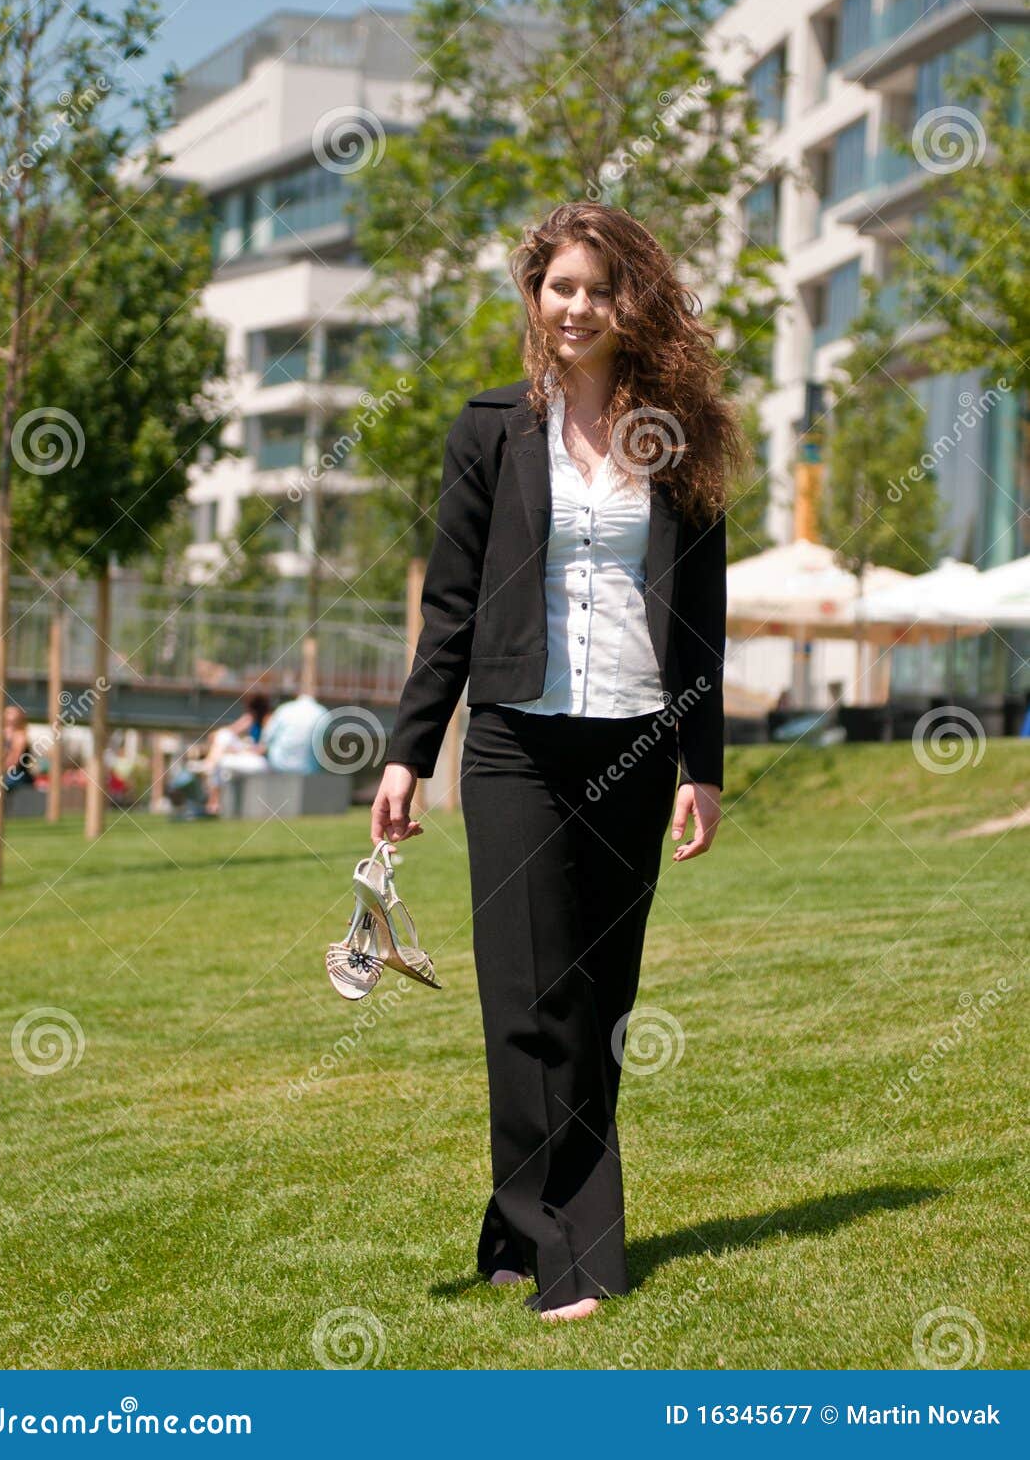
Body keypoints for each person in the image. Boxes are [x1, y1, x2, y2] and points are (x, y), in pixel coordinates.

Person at [371, 202, 735, 1324]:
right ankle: (567, 1250)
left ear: (635, 303)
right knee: (528, 994)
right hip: (517, 743)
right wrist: (407, 751)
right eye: (558, 286)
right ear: (536, 298)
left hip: (631, 737)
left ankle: (515, 1228)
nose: (576, 308)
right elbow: (449, 608)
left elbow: (702, 616)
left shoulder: (672, 435)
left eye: (597, 288)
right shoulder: (490, 429)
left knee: (598, 997)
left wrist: (699, 761)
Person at [203, 693, 272, 814]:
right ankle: (210, 766)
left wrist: (240, 750)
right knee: (223, 735)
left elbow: (265, 749)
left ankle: (212, 802)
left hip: (261, 761)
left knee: (220, 762)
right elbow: (215, 736)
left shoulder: (269, 721)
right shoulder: (250, 719)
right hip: (249, 754)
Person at [262, 691, 331, 774]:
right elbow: (324, 746)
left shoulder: (283, 709)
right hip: (308, 769)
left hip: (278, 766)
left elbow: (266, 737)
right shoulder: (322, 712)